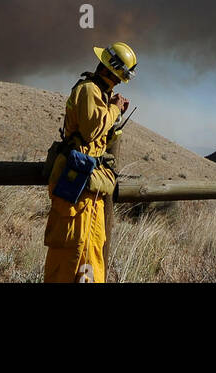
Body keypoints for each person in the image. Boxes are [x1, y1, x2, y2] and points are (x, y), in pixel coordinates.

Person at [43, 42, 135, 283]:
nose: (116, 84)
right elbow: (91, 128)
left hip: (90, 193)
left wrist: (113, 119)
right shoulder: (89, 90)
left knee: (91, 260)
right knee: (66, 260)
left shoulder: (100, 95)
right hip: (74, 190)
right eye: (117, 79)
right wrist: (114, 110)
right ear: (110, 71)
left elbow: (97, 138)